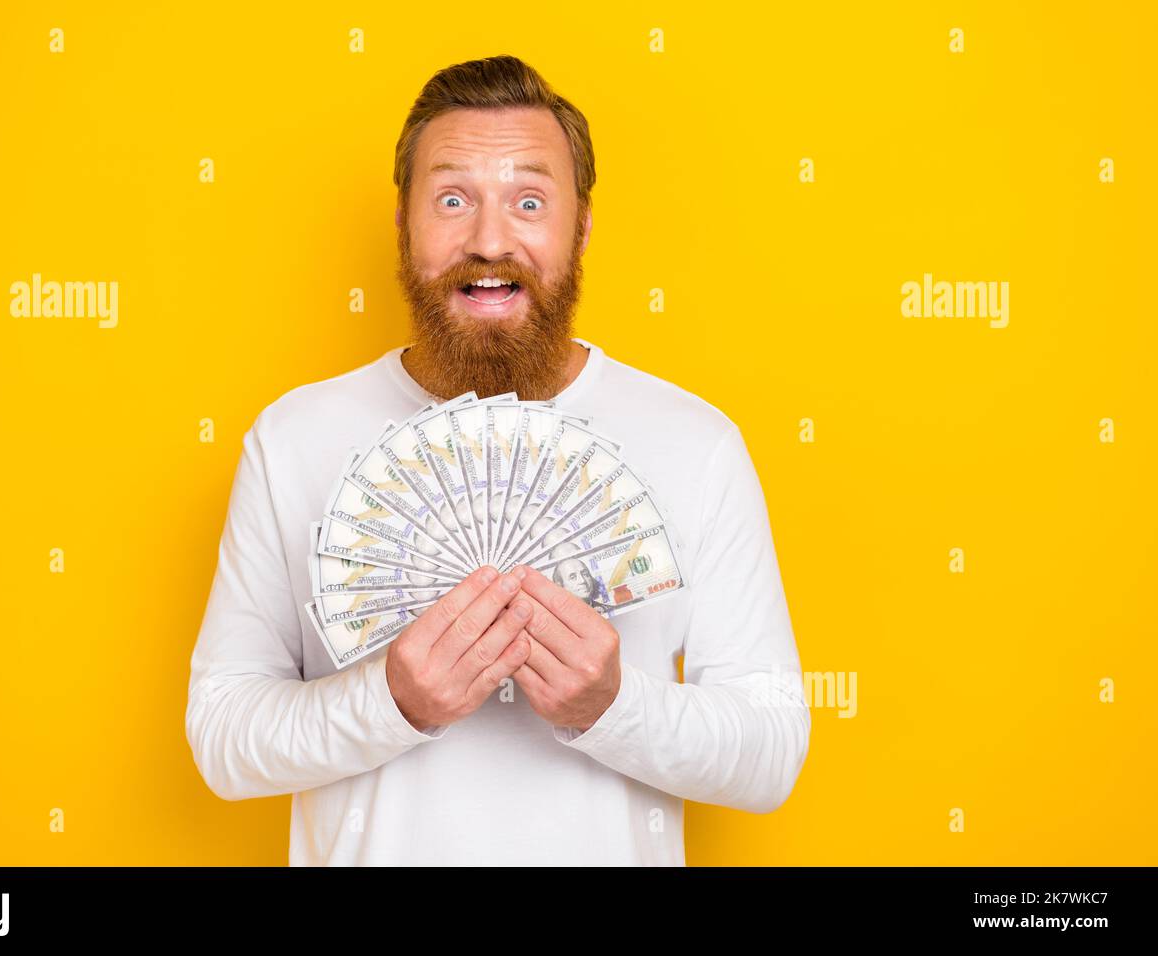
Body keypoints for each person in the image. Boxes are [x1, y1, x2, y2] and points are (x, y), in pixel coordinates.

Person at [185, 54, 810, 865]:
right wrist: (392, 701)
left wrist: (614, 707)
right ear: (403, 224)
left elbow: (770, 755)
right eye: (452, 200)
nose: (488, 240)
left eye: (527, 200)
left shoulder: (697, 443)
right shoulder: (293, 437)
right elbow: (223, 737)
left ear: (580, 225)